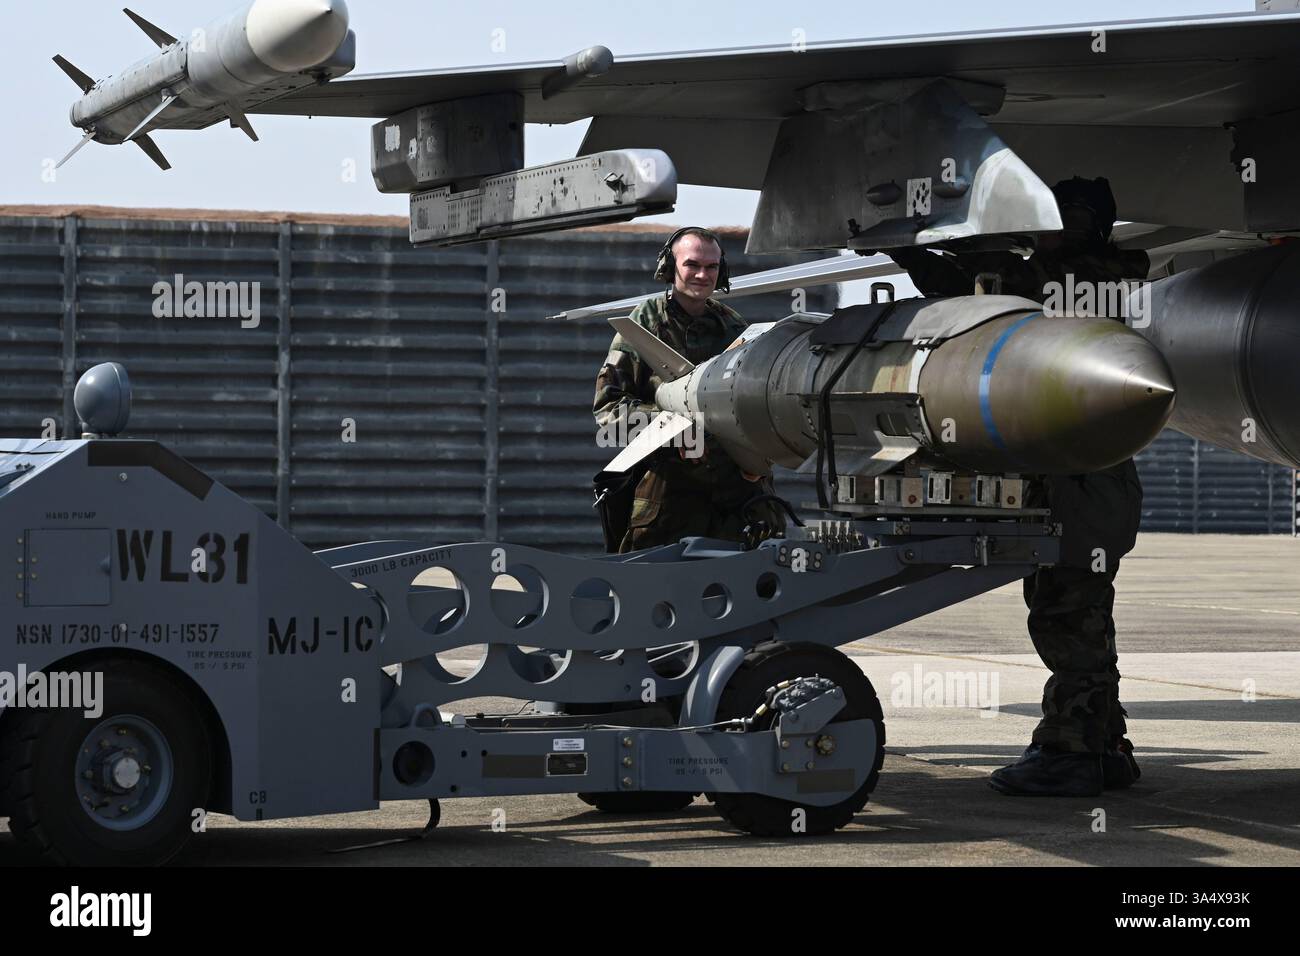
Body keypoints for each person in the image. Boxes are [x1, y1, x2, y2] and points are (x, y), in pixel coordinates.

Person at [888, 177, 1147, 796]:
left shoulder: (1058, 275)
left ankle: (1070, 754)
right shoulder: (1122, 277)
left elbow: (970, 286)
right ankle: (1107, 745)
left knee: (1065, 617)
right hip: (1105, 480)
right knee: (1087, 615)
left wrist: (908, 245)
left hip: (1070, 486)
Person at [593, 227, 779, 553]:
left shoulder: (734, 328)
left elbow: (754, 408)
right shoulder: (647, 323)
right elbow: (609, 413)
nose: (702, 275)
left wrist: (758, 460)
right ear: (670, 267)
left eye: (711, 267)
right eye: (692, 265)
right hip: (667, 504)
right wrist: (677, 431)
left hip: (732, 505)